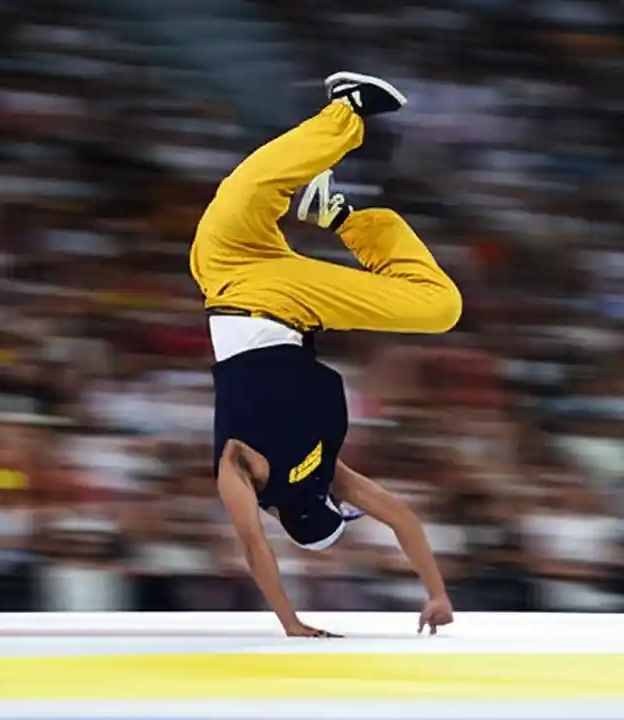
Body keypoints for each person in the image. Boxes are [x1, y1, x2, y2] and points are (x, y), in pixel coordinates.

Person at [191, 72, 462, 637]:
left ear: (320, 509)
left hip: (228, 275)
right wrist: (435, 592)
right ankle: (339, 199)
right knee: (245, 188)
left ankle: (343, 127)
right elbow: (399, 517)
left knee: (249, 187)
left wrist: (292, 623)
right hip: (279, 299)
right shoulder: (311, 473)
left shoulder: (248, 474)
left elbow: (255, 546)